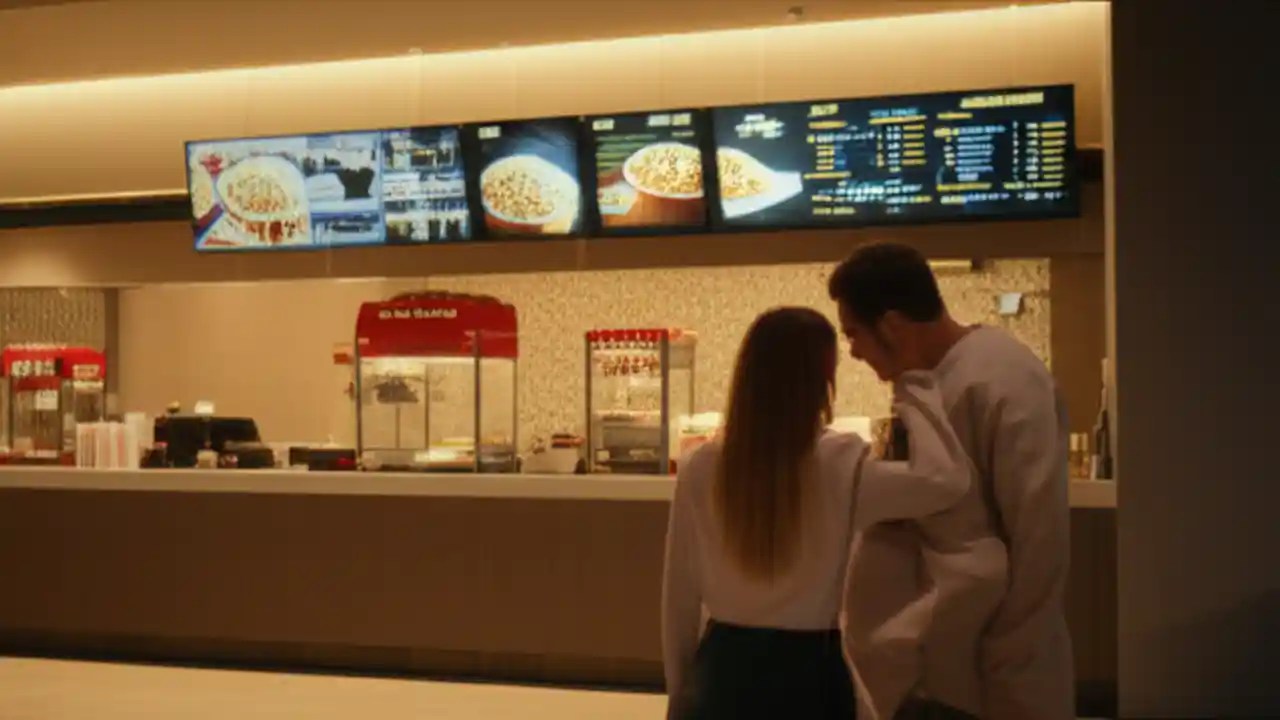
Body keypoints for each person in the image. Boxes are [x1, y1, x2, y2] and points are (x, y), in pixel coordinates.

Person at [661, 307, 972, 720]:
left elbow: (679, 600)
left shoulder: (702, 466)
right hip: (810, 675)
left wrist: (679, 694)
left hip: (721, 675)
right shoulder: (844, 465)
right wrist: (914, 390)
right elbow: (947, 481)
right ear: (825, 376)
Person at [829, 243, 1074, 720]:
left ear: (892, 326)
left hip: (997, 670)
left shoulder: (1003, 380)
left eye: (854, 334)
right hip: (940, 671)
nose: (853, 352)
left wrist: (1011, 653)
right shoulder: (928, 383)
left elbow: (1039, 536)